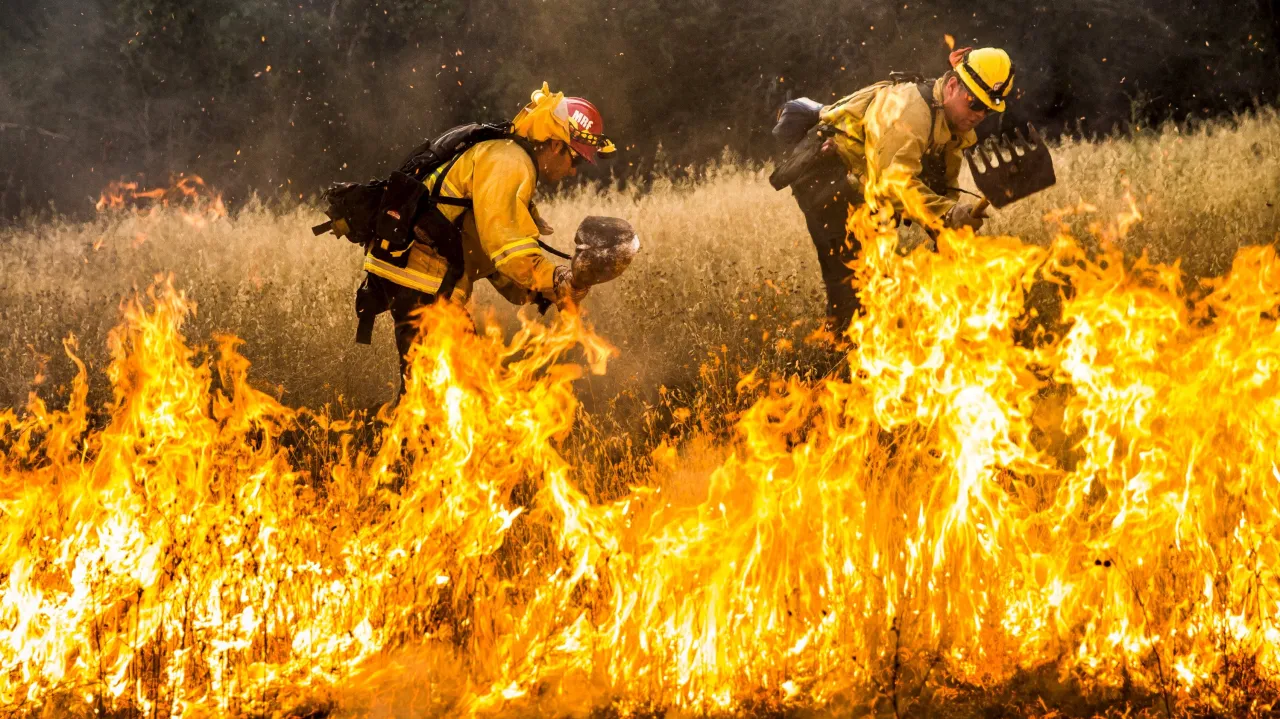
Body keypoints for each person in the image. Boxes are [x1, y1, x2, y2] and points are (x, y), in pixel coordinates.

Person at [353, 83, 616, 392]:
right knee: (444, 396)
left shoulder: (507, 158)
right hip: (422, 283)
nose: (574, 172)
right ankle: (395, 437)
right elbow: (506, 246)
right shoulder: (510, 162)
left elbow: (485, 252)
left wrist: (540, 292)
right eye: (577, 160)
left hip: (423, 283)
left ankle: (392, 435)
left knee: (446, 394)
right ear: (557, 145)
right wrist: (556, 277)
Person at [775, 47, 1014, 329]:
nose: (980, 113)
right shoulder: (909, 112)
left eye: (988, 108)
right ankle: (840, 358)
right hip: (827, 178)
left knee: (880, 280)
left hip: (865, 186)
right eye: (975, 102)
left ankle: (870, 339)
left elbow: (942, 186)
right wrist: (947, 214)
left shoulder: (952, 124)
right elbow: (890, 184)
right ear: (952, 86)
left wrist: (947, 230)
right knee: (855, 282)